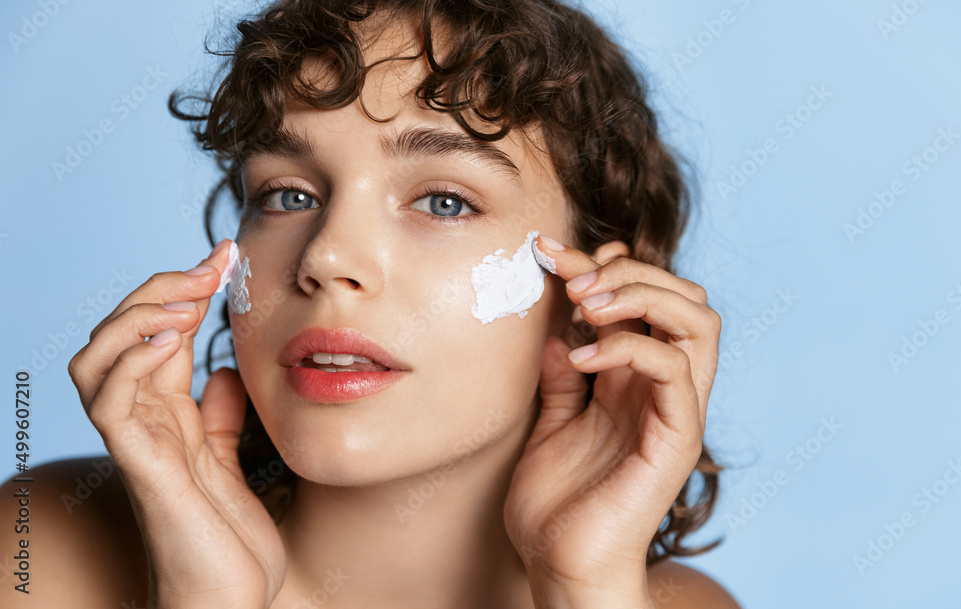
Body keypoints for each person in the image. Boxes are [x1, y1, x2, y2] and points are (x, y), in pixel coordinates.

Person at [1, 1, 740, 607]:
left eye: (444, 200)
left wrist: (586, 589)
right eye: (288, 195)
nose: (325, 258)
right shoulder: (41, 547)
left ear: (592, 305)